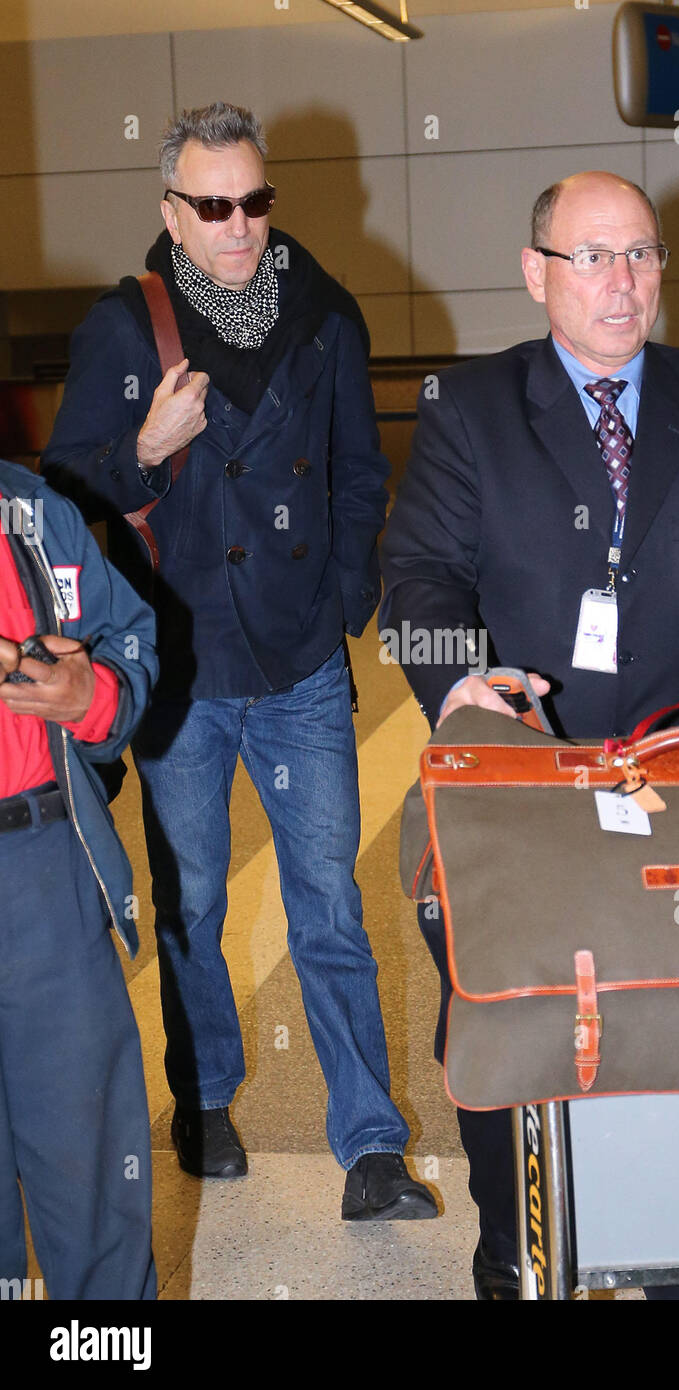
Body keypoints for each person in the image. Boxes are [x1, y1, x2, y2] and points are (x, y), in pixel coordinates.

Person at [380, 170, 679, 1295]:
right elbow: (420, 575)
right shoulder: (472, 409)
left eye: (641, 254)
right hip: (531, 782)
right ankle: (516, 1252)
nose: (621, 281)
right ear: (535, 272)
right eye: (591, 255)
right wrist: (460, 684)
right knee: (517, 1015)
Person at [43, 101, 435, 1222]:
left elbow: (358, 472)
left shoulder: (325, 314)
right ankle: (207, 1093)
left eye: (253, 200)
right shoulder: (127, 330)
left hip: (300, 660)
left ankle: (371, 1146)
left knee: (328, 904)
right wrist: (145, 449)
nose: (238, 225)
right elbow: (61, 493)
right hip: (180, 664)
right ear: (171, 212)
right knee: (195, 900)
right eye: (212, 207)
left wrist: (344, 595)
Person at [0, 460, 157, 1299]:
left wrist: (88, 696)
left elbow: (129, 637)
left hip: (44, 869)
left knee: (90, 1165)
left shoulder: (32, 511)